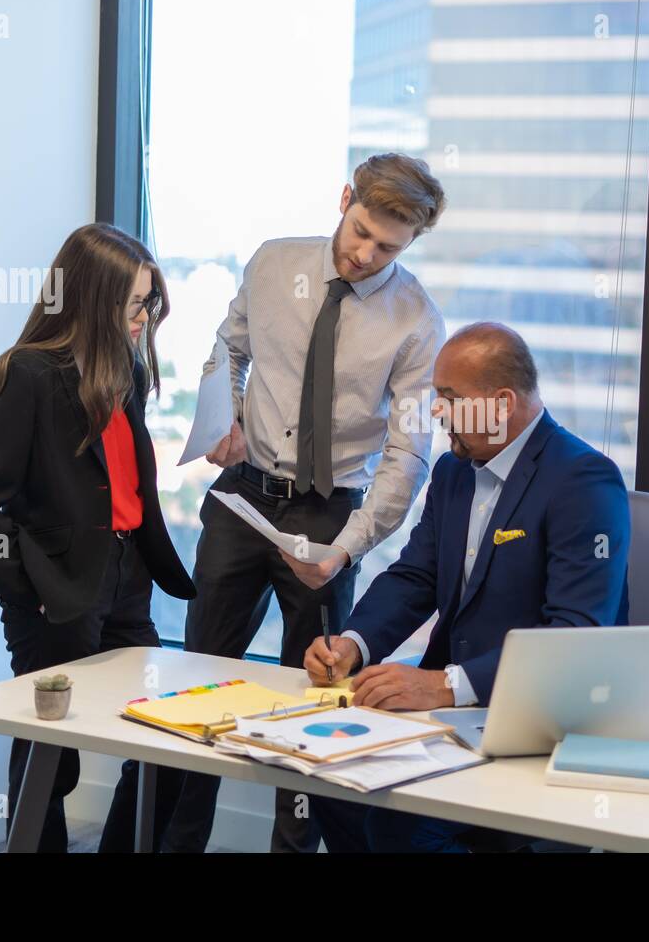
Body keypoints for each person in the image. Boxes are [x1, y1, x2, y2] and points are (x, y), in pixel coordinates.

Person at [161, 153, 447, 853]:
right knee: (199, 685)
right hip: (244, 496)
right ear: (345, 198)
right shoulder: (271, 264)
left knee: (315, 710)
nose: (364, 254)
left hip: (330, 515)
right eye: (360, 232)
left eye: (387, 248)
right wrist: (222, 414)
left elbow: (409, 456)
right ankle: (170, 845)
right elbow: (226, 350)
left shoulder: (416, 321)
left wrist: (350, 546)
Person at [303, 321, 631, 852]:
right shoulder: (454, 473)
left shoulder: (583, 480)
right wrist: (353, 644)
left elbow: (577, 637)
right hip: (453, 719)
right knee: (326, 779)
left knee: (396, 824)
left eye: (449, 398)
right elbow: (416, 576)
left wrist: (445, 685)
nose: (436, 411)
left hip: (539, 724)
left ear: (501, 403)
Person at [0, 223, 197, 852]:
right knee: (47, 758)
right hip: (55, 589)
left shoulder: (128, 376)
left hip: (127, 580)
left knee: (164, 737)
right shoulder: (26, 375)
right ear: (92, 298)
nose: (145, 317)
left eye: (149, 302)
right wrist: (27, 592)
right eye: (135, 302)